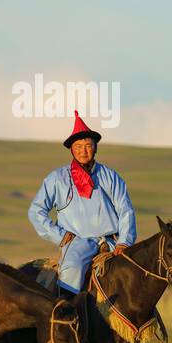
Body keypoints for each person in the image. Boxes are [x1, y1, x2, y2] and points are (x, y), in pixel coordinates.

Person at [28, 111, 136, 298]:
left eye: (88, 146)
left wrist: (124, 241)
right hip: (78, 241)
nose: (83, 151)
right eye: (78, 146)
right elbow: (36, 211)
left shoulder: (110, 176)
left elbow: (125, 208)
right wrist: (59, 236)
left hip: (111, 241)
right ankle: (67, 314)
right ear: (71, 149)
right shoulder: (57, 178)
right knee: (72, 267)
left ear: (95, 148)